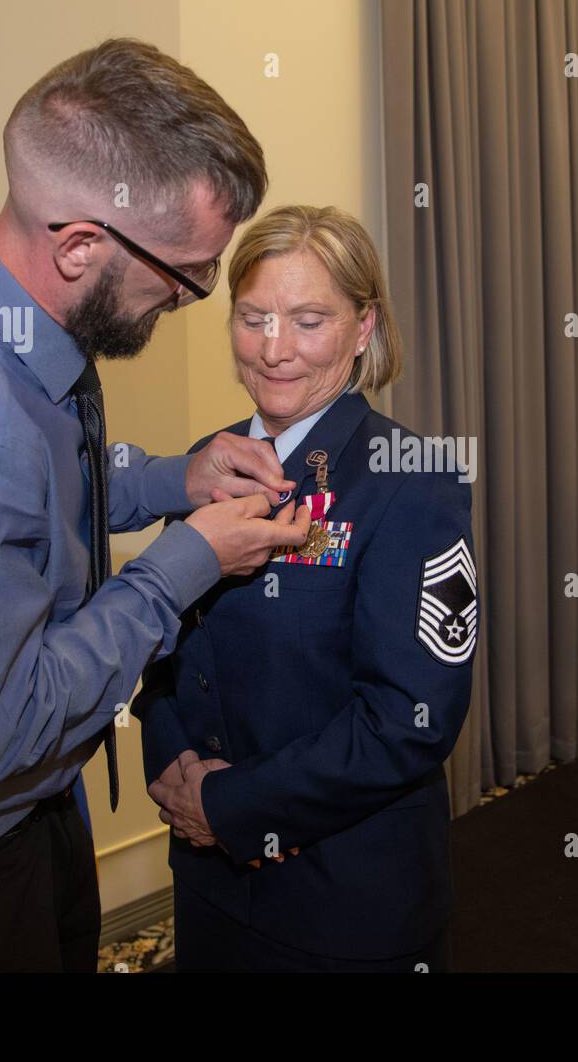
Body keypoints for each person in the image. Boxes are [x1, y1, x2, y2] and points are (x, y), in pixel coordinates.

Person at [0, 38, 310, 972]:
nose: (188, 299)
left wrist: (177, 480)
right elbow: (3, 731)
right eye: (188, 275)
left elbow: (32, 500)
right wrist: (188, 560)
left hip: (24, 822)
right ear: (82, 245)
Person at [134, 205, 477, 972]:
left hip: (342, 908)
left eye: (307, 319)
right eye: (252, 318)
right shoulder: (207, 464)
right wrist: (174, 770)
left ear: (363, 328)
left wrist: (227, 806)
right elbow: (163, 649)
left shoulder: (412, 481)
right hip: (209, 885)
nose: (273, 348)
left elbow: (408, 721)